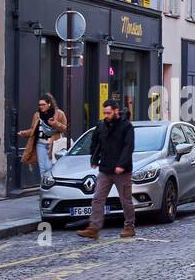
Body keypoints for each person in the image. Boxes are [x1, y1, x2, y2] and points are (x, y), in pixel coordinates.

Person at [77, 99, 136, 240]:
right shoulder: (102, 125)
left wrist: (121, 165)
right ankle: (94, 228)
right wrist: (94, 159)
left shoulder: (126, 126)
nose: (106, 115)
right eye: (104, 112)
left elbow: (129, 147)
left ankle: (129, 227)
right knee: (98, 198)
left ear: (116, 111)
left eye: (109, 112)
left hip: (122, 170)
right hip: (105, 168)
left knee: (125, 200)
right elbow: (95, 142)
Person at [18, 93, 68, 176]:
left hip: (53, 145)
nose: (41, 106)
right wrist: (23, 133)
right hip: (40, 144)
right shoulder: (37, 115)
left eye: (43, 104)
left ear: (49, 104)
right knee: (42, 168)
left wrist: (55, 123)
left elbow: (65, 128)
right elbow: (32, 130)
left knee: (49, 167)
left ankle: (50, 184)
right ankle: (43, 186)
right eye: (39, 105)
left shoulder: (59, 114)